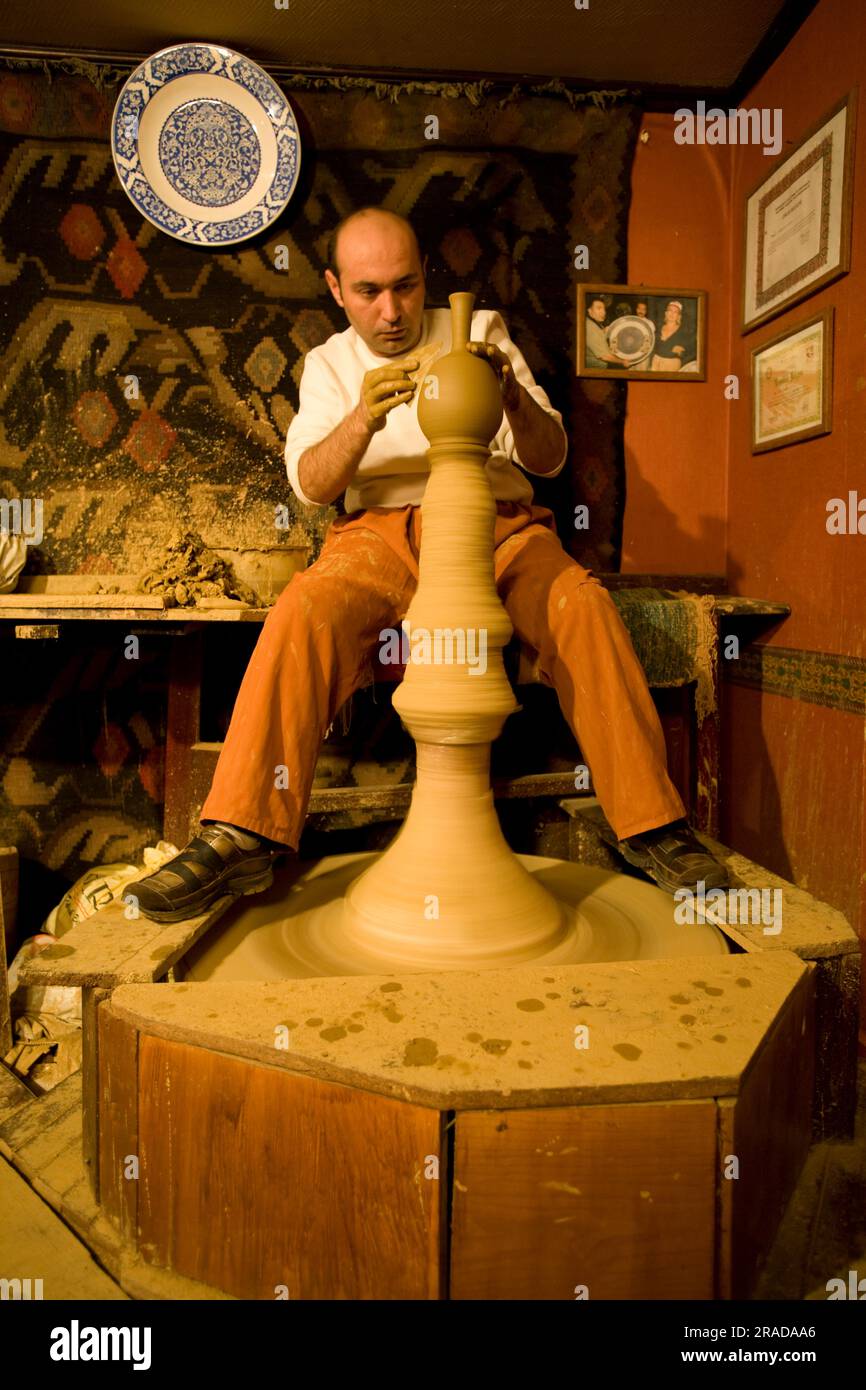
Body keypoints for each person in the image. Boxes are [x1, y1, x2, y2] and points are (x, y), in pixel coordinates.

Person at [130, 208, 727, 922]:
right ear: (335, 288)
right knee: (306, 608)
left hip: (495, 523)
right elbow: (313, 485)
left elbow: (551, 457)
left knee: (580, 605)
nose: (391, 311)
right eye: (369, 291)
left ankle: (656, 825)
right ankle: (240, 834)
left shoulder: (481, 333)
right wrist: (360, 420)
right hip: (379, 534)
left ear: (426, 277)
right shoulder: (329, 364)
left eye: (407, 287)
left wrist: (507, 393)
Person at [650, 299, 696, 371]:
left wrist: (681, 353)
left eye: (675, 312)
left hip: (672, 365)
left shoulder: (683, 332)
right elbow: (652, 346)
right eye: (670, 310)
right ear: (666, 313)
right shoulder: (658, 328)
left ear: (678, 316)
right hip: (655, 362)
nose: (672, 313)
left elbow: (690, 352)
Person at [584, 295, 622, 369]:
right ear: (589, 310)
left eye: (604, 309)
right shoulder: (590, 327)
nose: (603, 312)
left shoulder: (594, 323)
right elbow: (603, 356)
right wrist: (623, 361)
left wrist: (603, 332)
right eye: (599, 308)